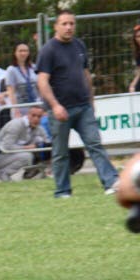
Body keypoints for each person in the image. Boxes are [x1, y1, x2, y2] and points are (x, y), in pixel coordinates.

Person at [36, 9, 119, 198]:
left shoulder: (79, 46)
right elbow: (42, 81)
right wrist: (55, 105)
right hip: (61, 110)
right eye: (64, 24)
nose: (68, 27)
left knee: (95, 144)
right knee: (60, 152)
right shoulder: (49, 50)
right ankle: (63, 191)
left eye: (71, 23)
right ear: (56, 26)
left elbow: (86, 75)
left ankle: (111, 182)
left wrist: (91, 100)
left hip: (83, 107)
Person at [0, 105, 50, 182]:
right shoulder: (16, 125)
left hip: (15, 153)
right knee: (27, 156)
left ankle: (34, 173)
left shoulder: (39, 128)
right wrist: (27, 148)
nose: (36, 119)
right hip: (0, 155)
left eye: (39, 116)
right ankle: (4, 173)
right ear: (28, 115)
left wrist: (44, 147)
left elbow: (48, 143)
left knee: (42, 146)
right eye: (33, 115)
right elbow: (6, 147)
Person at [5, 42, 40, 118]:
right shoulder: (11, 70)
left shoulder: (33, 67)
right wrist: (15, 109)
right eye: (20, 51)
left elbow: (39, 86)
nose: (23, 53)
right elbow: (11, 91)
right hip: (21, 107)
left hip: (35, 107)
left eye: (25, 51)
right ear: (15, 53)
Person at [129, 24, 140, 93]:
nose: (139, 39)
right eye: (137, 37)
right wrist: (133, 84)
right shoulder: (137, 53)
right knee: (135, 88)